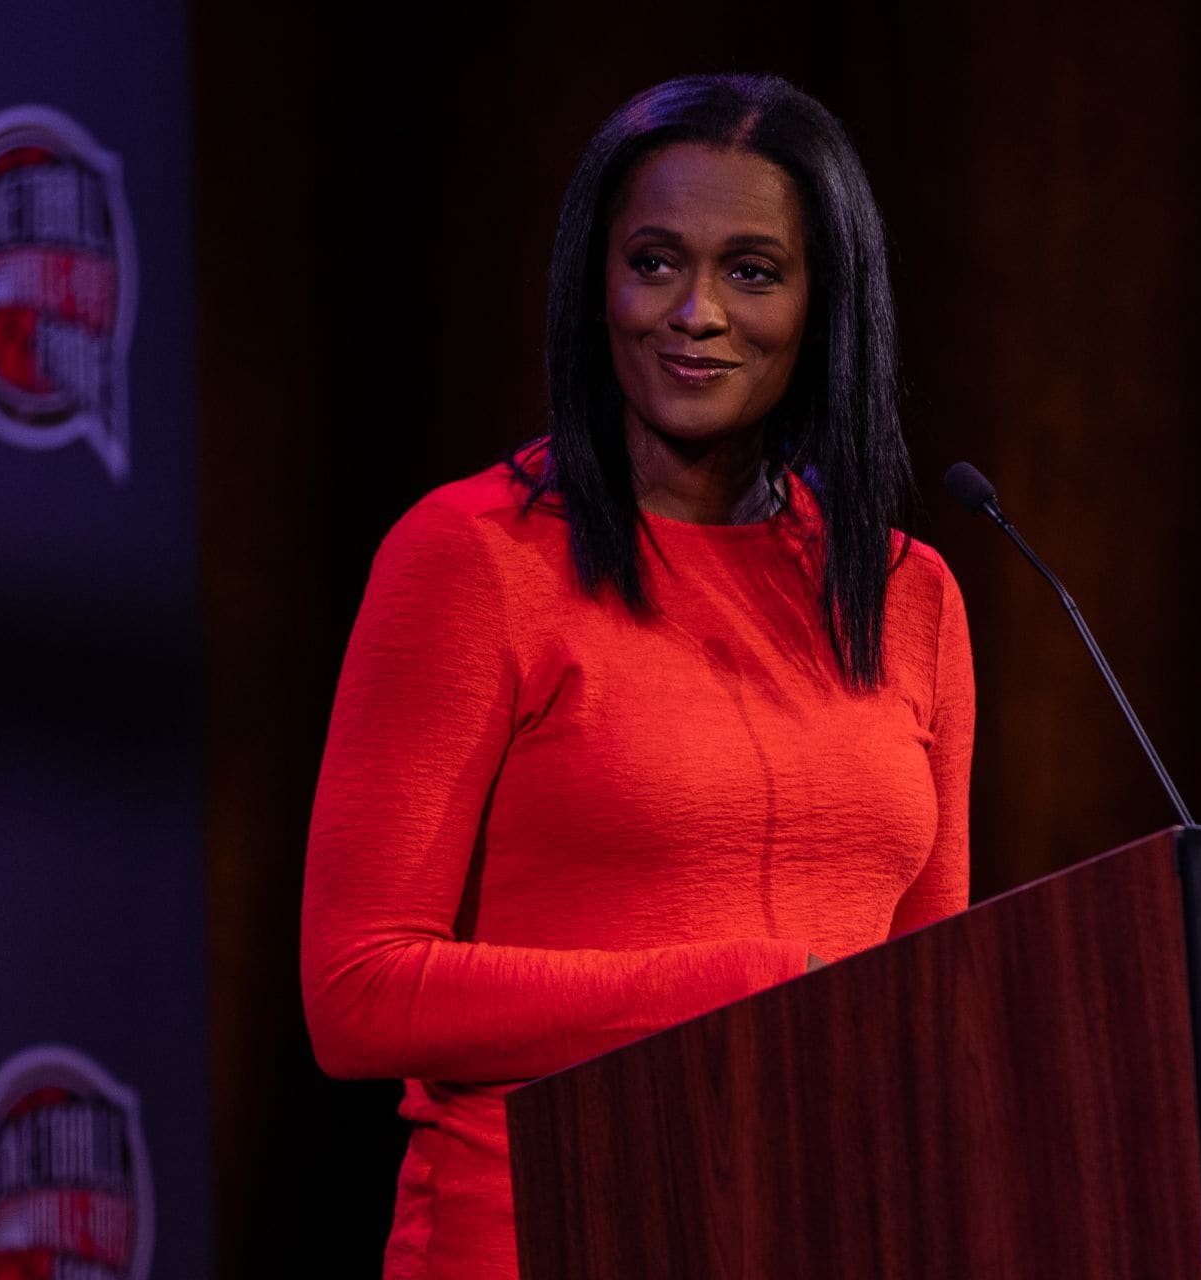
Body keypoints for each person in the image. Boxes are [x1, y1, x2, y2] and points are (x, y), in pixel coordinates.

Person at [299, 74, 974, 1278]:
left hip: (838, 1230)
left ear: (826, 304)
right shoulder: (472, 556)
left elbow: (933, 998)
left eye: (753, 270)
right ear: (594, 287)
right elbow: (357, 991)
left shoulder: (907, 592)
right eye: (655, 262)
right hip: (548, 1227)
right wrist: (739, 988)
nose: (696, 312)